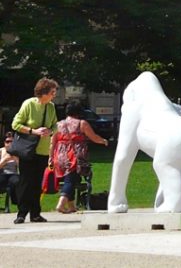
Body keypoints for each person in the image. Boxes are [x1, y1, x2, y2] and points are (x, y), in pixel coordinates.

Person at [10, 77, 58, 223]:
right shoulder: (29, 104)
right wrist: (34, 131)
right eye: (52, 92)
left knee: (37, 183)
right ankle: (21, 213)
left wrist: (50, 131)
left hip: (42, 150)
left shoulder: (51, 107)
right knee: (26, 182)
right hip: (27, 150)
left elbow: (56, 125)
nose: (54, 95)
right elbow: (15, 124)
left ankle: (35, 213)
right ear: (43, 92)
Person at [50, 100, 108, 213]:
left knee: (71, 179)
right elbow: (93, 137)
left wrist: (50, 157)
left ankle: (71, 206)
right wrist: (103, 141)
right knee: (71, 180)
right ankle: (61, 203)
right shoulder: (82, 123)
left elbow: (53, 142)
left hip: (59, 156)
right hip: (74, 156)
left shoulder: (58, 124)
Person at [0, 132, 19, 205]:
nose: (9, 143)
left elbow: (21, 168)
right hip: (2, 173)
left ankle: (15, 201)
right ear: (4, 142)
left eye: (11, 141)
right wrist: (5, 160)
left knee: (16, 181)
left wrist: (16, 159)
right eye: (7, 141)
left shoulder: (17, 152)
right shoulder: (1, 151)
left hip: (13, 174)